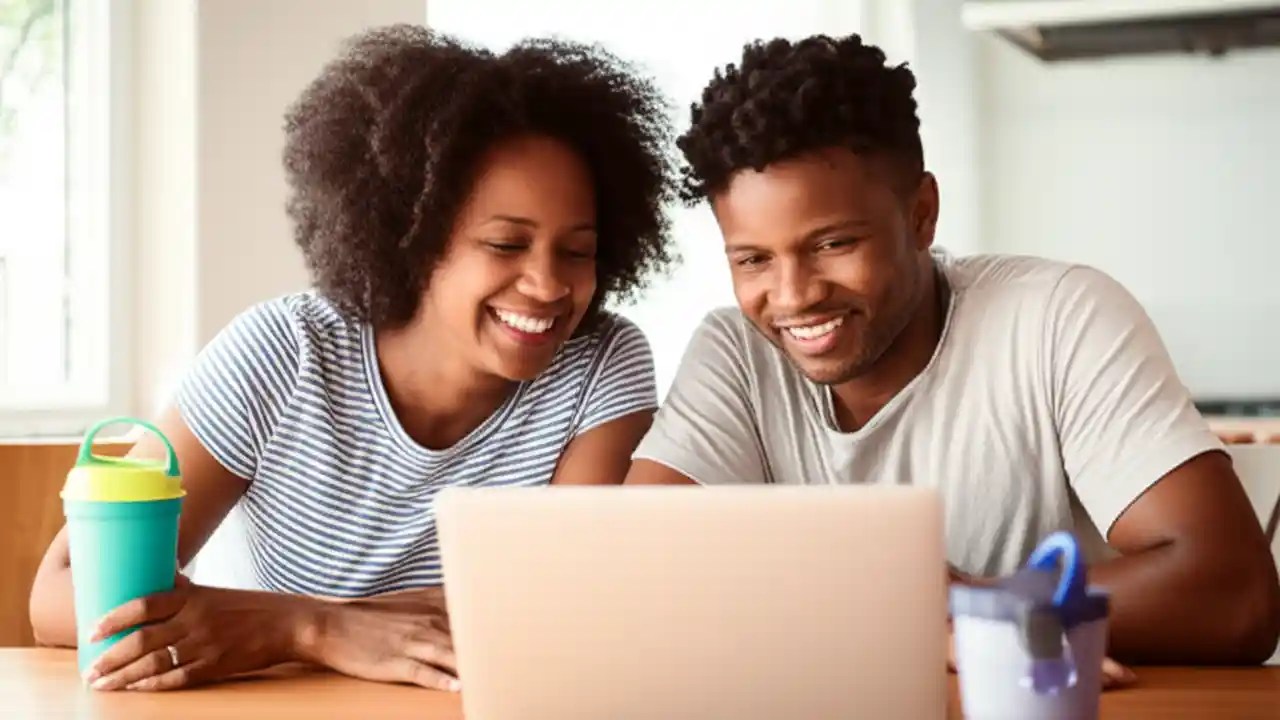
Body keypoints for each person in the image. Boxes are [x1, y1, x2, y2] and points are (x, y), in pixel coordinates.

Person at [31, 25, 677, 692]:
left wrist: (281, 625)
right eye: (507, 245)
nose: (548, 285)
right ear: (413, 239)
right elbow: (62, 593)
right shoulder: (283, 356)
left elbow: (567, 602)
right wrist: (319, 631)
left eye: (577, 251)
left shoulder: (603, 363)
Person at [625, 33, 1280, 674]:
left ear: (921, 214)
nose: (793, 296)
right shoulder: (735, 355)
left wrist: (972, 612)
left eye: (832, 245)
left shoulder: (1057, 316)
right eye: (754, 259)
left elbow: (1235, 594)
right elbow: (634, 580)